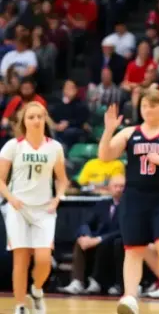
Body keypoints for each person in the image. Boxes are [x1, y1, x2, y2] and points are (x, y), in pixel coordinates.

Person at [98, 88, 159, 314]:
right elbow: (104, 156)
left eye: (151, 105)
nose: (147, 110)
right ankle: (130, 297)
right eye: (143, 106)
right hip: (134, 198)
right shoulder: (130, 132)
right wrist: (108, 131)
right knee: (133, 249)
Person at [0, 102, 69, 314]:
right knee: (20, 259)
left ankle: (37, 290)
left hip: (44, 209)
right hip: (18, 207)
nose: (36, 120)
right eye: (31, 117)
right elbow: (1, 180)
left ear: (45, 119)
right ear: (24, 121)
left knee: (43, 259)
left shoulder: (54, 147)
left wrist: (58, 198)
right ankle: (20, 306)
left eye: (39, 116)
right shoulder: (13, 146)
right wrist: (11, 198)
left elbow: (62, 180)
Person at [59, 173, 126, 295]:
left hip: (116, 240)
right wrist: (86, 236)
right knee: (81, 240)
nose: (118, 189)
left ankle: (97, 282)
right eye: (115, 186)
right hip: (98, 240)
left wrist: (100, 239)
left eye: (122, 186)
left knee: (111, 243)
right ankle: (77, 282)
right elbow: (86, 222)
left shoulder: (129, 206)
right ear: (109, 188)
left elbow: (124, 230)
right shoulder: (102, 204)